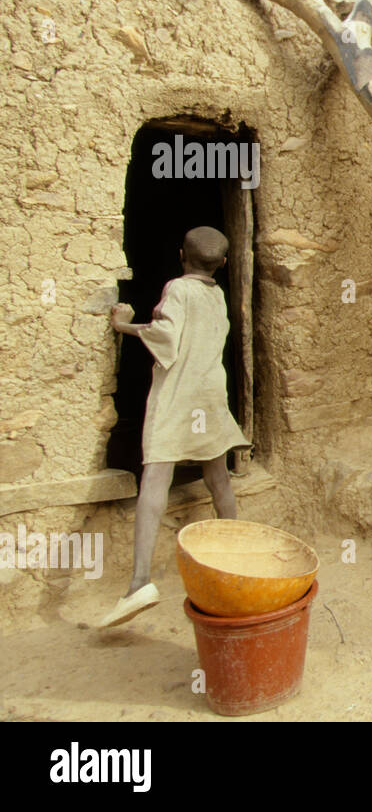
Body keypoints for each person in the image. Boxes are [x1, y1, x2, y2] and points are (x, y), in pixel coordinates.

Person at [98, 226, 250, 628]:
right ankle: (237, 556)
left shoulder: (178, 290)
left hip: (180, 396)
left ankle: (139, 582)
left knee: (155, 480)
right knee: (218, 479)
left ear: (181, 253)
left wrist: (124, 326)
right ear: (223, 264)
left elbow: (166, 336)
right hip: (210, 393)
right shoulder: (216, 294)